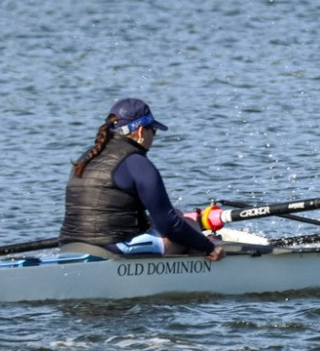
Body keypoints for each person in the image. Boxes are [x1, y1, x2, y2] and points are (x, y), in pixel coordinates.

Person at [60, 97, 224, 260]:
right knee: (189, 226)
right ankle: (205, 267)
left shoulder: (87, 156)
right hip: (111, 249)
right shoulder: (137, 163)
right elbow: (170, 226)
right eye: (153, 130)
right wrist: (208, 246)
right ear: (140, 132)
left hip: (69, 245)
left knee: (177, 215)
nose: (153, 136)